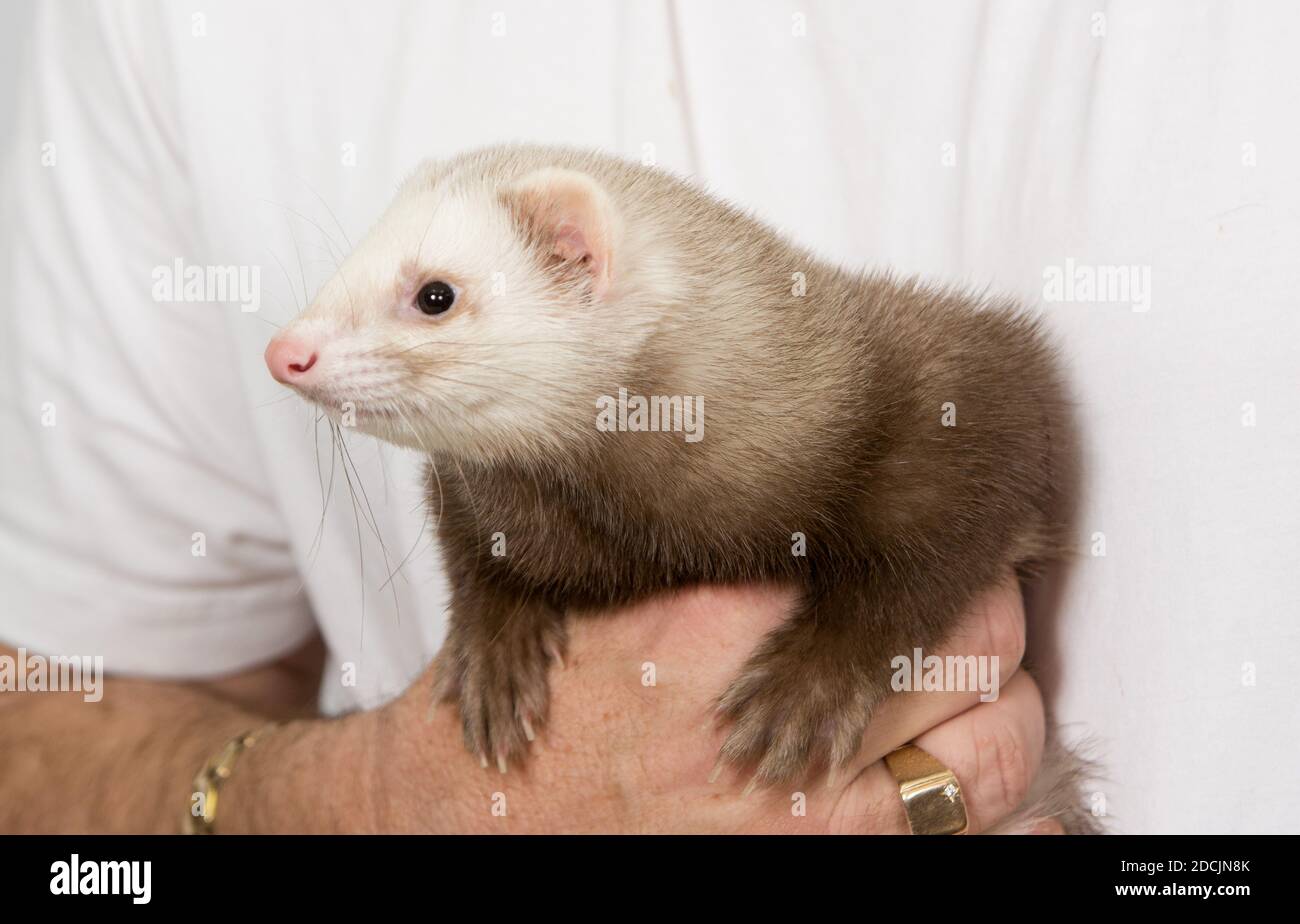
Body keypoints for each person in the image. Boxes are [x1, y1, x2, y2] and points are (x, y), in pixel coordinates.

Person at [4, 2, 1294, 834]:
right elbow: (41, 745)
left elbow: (985, 407)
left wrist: (844, 657)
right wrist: (371, 805)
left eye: (437, 303)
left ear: (579, 263)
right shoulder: (157, 32)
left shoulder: (872, 393)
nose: (300, 352)